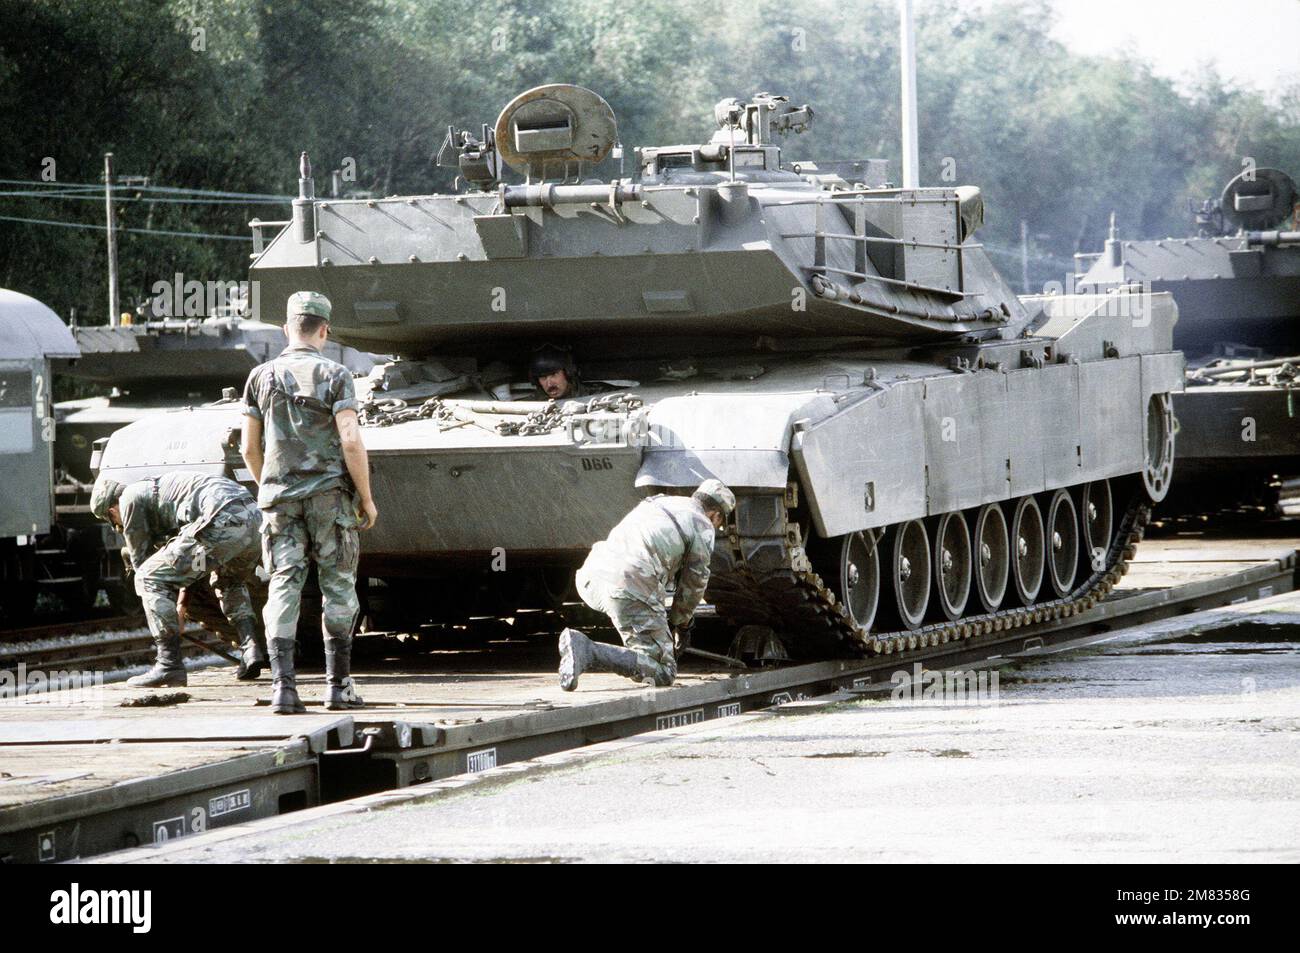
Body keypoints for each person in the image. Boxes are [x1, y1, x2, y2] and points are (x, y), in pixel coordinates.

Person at [241, 291, 379, 714]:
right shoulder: (336, 375)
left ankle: (284, 689)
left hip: (279, 501)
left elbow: (249, 448)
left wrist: (273, 485)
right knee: (337, 587)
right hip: (329, 499)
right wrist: (367, 499)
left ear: (286, 329)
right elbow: (351, 439)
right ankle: (338, 687)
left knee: (283, 585)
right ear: (324, 330)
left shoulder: (259, 377)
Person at [89, 472, 266, 688]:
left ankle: (168, 665)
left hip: (220, 521)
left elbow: (144, 566)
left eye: (113, 522)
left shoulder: (129, 499)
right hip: (253, 521)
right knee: (229, 581)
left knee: (147, 578)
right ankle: (251, 649)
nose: (119, 526)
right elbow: (192, 567)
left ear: (111, 510)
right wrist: (181, 605)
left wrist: (171, 608)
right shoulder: (161, 490)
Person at [559, 479, 735, 690]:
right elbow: (694, 585)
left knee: (638, 618)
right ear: (715, 515)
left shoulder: (659, 502)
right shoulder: (702, 524)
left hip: (591, 579)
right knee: (663, 672)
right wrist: (682, 624)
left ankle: (632, 643)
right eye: (718, 523)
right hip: (628, 585)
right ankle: (588, 651)